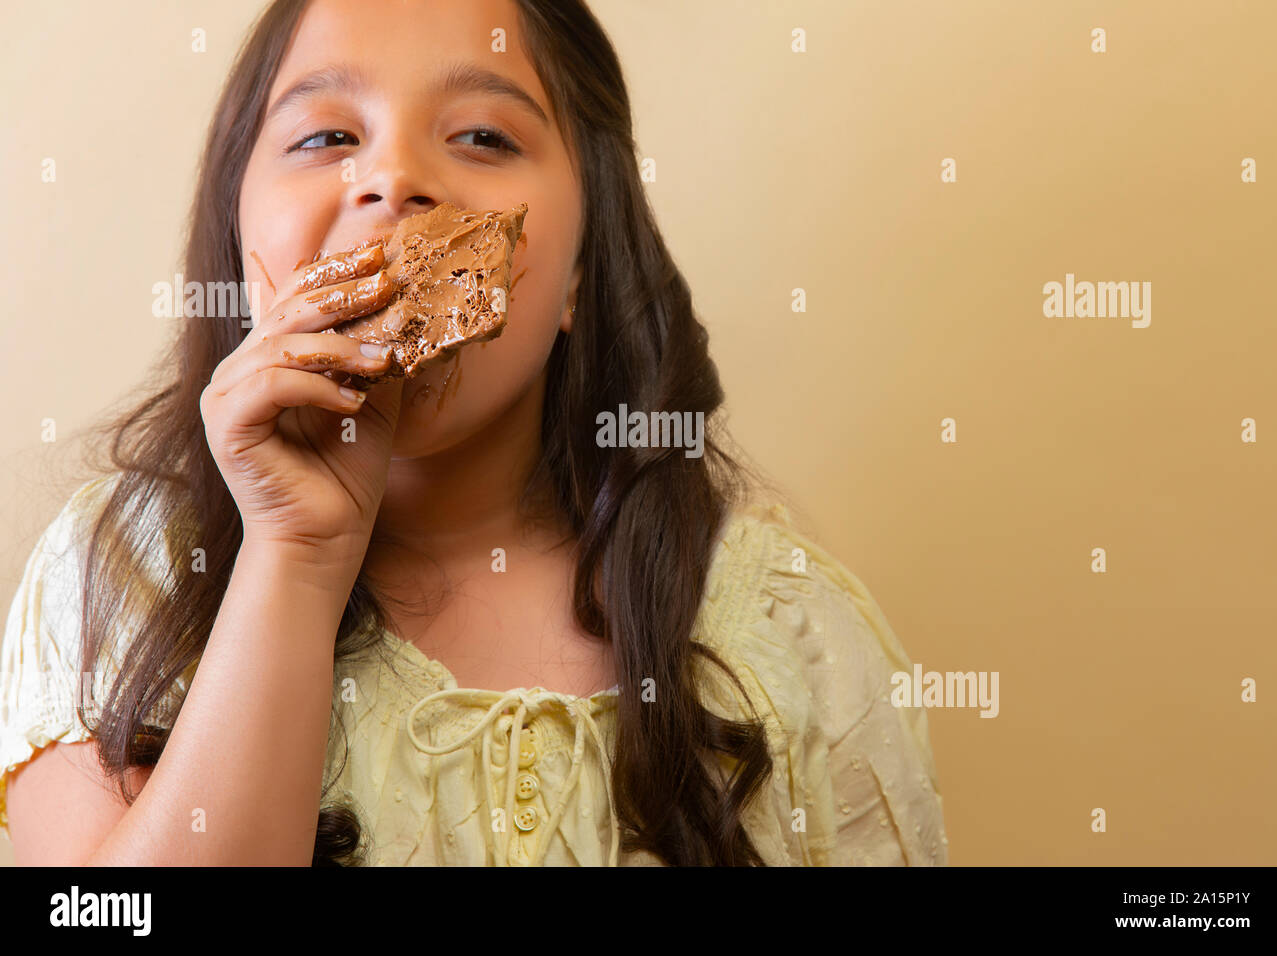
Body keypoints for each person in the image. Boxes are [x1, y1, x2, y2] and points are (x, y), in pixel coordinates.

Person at [0, 0, 948, 866]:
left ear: (579, 272)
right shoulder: (115, 581)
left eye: (484, 136)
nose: (395, 178)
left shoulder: (793, 635)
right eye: (328, 133)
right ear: (240, 244)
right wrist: (295, 558)